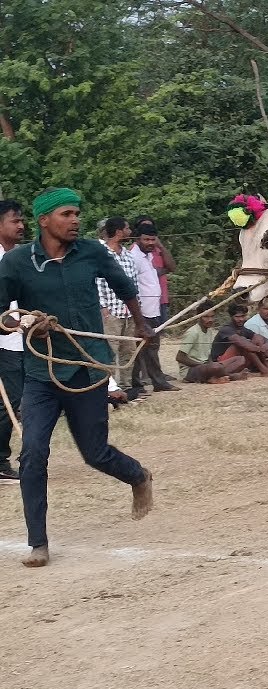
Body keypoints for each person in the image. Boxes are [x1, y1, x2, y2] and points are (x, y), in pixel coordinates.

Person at [0, 188, 156, 567]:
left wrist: (141, 324)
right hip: (42, 373)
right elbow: (2, 314)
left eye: (77, 213)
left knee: (95, 454)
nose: (75, 220)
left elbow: (125, 288)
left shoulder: (91, 252)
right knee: (32, 454)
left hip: (89, 369)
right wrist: (23, 323)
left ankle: (138, 476)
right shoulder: (18, 262)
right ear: (44, 220)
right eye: (67, 214)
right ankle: (38, 543)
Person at [126, 224, 177, 392]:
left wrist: (160, 246)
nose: (150, 243)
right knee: (137, 349)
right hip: (141, 312)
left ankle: (158, 383)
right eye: (146, 239)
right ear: (137, 239)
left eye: (153, 240)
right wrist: (137, 313)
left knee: (152, 348)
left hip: (153, 309)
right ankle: (136, 385)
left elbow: (170, 268)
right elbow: (131, 285)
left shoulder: (148, 256)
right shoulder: (133, 257)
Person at [96, 217, 140, 388]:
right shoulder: (102, 254)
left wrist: (137, 309)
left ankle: (127, 387)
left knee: (128, 351)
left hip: (128, 312)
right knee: (110, 351)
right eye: (127, 228)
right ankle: (110, 388)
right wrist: (103, 307)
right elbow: (98, 283)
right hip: (111, 311)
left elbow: (133, 284)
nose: (130, 232)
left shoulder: (128, 255)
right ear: (119, 232)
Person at [0, 200, 26, 481]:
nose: (21, 225)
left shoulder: (19, 257)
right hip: (4, 342)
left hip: (20, 340)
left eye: (21, 220)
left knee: (18, 398)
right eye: (14, 220)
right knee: (9, 400)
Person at [176, 306, 248, 383]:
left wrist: (210, 364)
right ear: (198, 317)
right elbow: (180, 357)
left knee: (240, 359)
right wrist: (202, 365)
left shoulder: (209, 331)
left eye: (212, 316)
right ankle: (232, 376)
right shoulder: (193, 332)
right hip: (190, 370)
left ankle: (215, 377)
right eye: (206, 317)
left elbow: (208, 355)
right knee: (215, 367)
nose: (210, 320)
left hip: (206, 366)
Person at [212, 304, 268, 376]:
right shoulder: (226, 329)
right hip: (221, 361)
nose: (241, 319)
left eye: (243, 316)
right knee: (244, 344)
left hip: (239, 358)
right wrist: (259, 349)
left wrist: (265, 346)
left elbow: (264, 339)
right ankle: (263, 370)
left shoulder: (243, 329)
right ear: (231, 317)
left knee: (258, 339)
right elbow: (242, 343)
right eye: (237, 317)